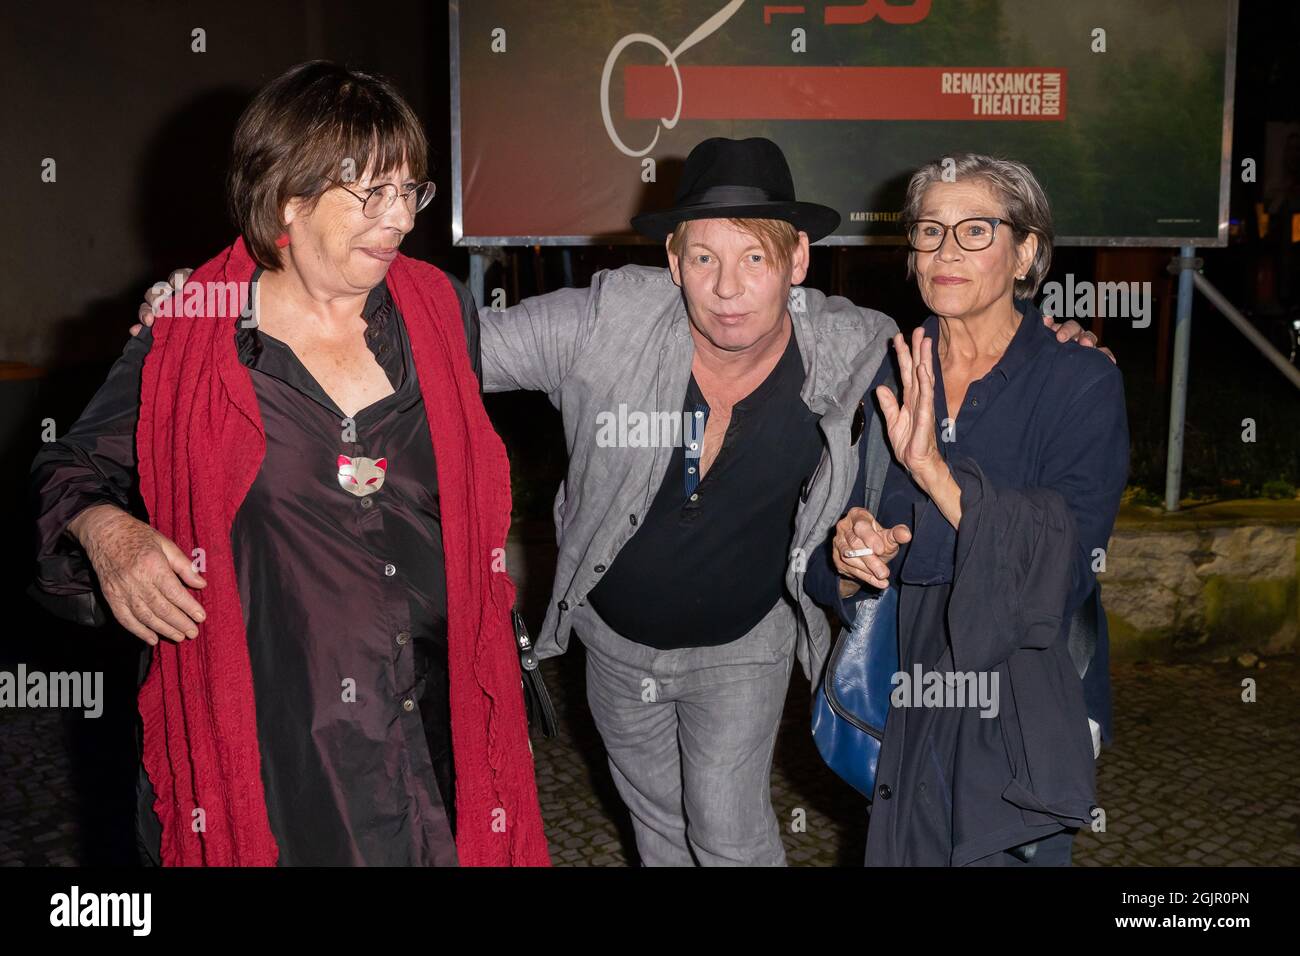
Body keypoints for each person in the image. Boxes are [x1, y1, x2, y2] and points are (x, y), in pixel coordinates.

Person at [137, 136, 1106, 867]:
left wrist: (1049, 333)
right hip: (611, 639)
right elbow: (441, 338)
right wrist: (232, 297)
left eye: (756, 259)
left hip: (745, 641)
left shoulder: (856, 345)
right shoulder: (608, 320)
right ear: (672, 257)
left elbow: (965, 332)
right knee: (655, 826)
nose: (727, 291)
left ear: (798, 263)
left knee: (727, 829)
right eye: (702, 259)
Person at [30, 61, 549, 867]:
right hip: (285, 753)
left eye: (410, 190)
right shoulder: (191, 335)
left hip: (443, 719)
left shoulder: (441, 310)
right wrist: (107, 533)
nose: (399, 220)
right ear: (286, 200)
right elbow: (66, 470)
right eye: (369, 194)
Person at [805, 153, 1128, 866]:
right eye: (929, 231)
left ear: (1027, 253)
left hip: (1017, 706)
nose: (946, 251)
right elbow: (828, 562)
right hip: (903, 699)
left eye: (976, 231)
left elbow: (1067, 566)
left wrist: (933, 473)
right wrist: (854, 553)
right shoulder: (890, 368)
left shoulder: (1078, 382)